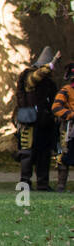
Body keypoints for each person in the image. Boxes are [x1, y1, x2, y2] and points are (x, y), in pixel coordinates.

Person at [16, 47, 59, 190]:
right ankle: (24, 182)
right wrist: (52, 62)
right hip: (29, 121)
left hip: (45, 122)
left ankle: (43, 183)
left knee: (44, 154)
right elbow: (37, 76)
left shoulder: (49, 84)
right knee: (27, 153)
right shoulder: (29, 77)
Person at [51, 63, 74, 192]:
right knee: (63, 156)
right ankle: (61, 185)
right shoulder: (65, 90)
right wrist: (71, 115)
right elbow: (56, 108)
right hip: (68, 129)